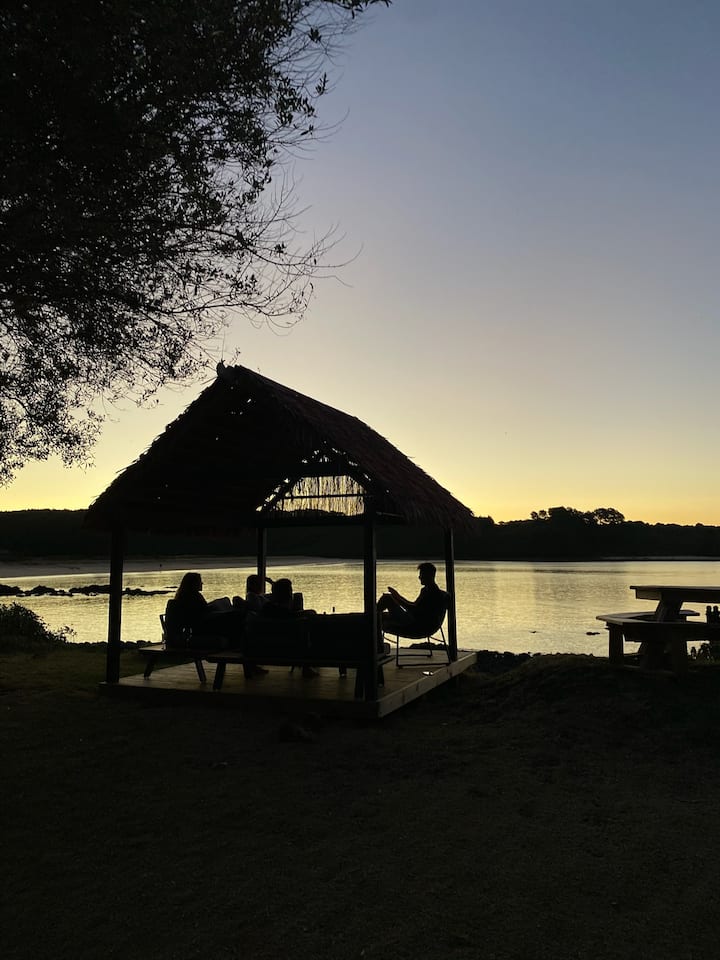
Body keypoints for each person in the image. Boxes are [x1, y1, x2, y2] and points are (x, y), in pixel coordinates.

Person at [170, 571, 247, 651]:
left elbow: (201, 611)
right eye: (200, 581)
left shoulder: (186, 596)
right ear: (193, 583)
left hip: (203, 623)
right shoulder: (193, 597)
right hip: (202, 626)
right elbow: (201, 614)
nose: (202, 583)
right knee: (234, 616)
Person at [377, 562, 447, 636]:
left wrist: (396, 599)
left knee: (386, 599)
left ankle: (373, 617)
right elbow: (413, 605)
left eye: (421, 574)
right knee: (380, 615)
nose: (419, 577)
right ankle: (374, 617)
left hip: (416, 624)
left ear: (430, 576)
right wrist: (397, 596)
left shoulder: (433, 593)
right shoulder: (425, 590)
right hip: (413, 619)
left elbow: (414, 610)